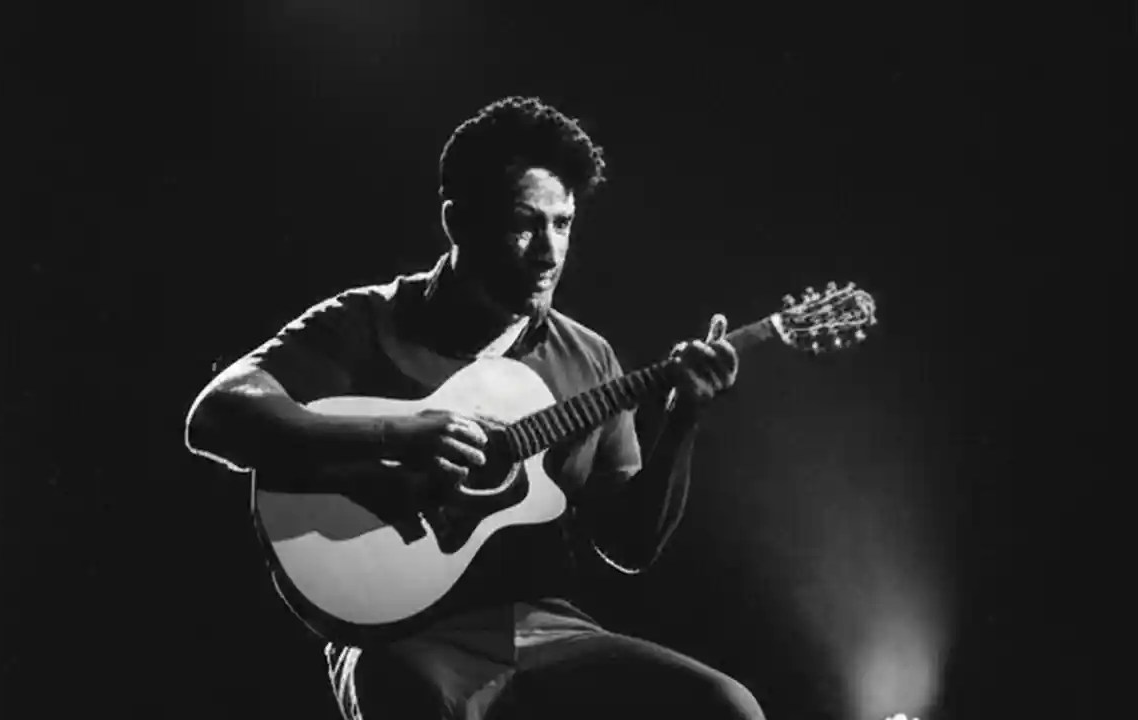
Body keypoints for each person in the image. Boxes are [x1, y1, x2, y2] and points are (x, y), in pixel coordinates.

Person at [184, 96, 766, 720]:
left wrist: (682, 418)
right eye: (525, 222)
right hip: (395, 633)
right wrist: (397, 434)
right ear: (458, 222)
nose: (549, 251)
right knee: (417, 701)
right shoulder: (369, 321)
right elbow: (215, 416)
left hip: (541, 628)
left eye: (563, 224)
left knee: (724, 706)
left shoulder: (588, 358)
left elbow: (629, 546)